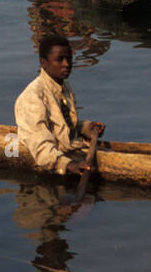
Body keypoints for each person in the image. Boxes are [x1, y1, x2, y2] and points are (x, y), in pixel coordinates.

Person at [15, 34, 105, 177]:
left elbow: (63, 125)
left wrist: (87, 127)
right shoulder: (33, 97)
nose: (66, 64)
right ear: (43, 63)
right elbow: (39, 144)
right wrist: (68, 165)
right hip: (51, 155)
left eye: (69, 58)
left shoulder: (63, 86)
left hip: (71, 147)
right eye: (59, 60)